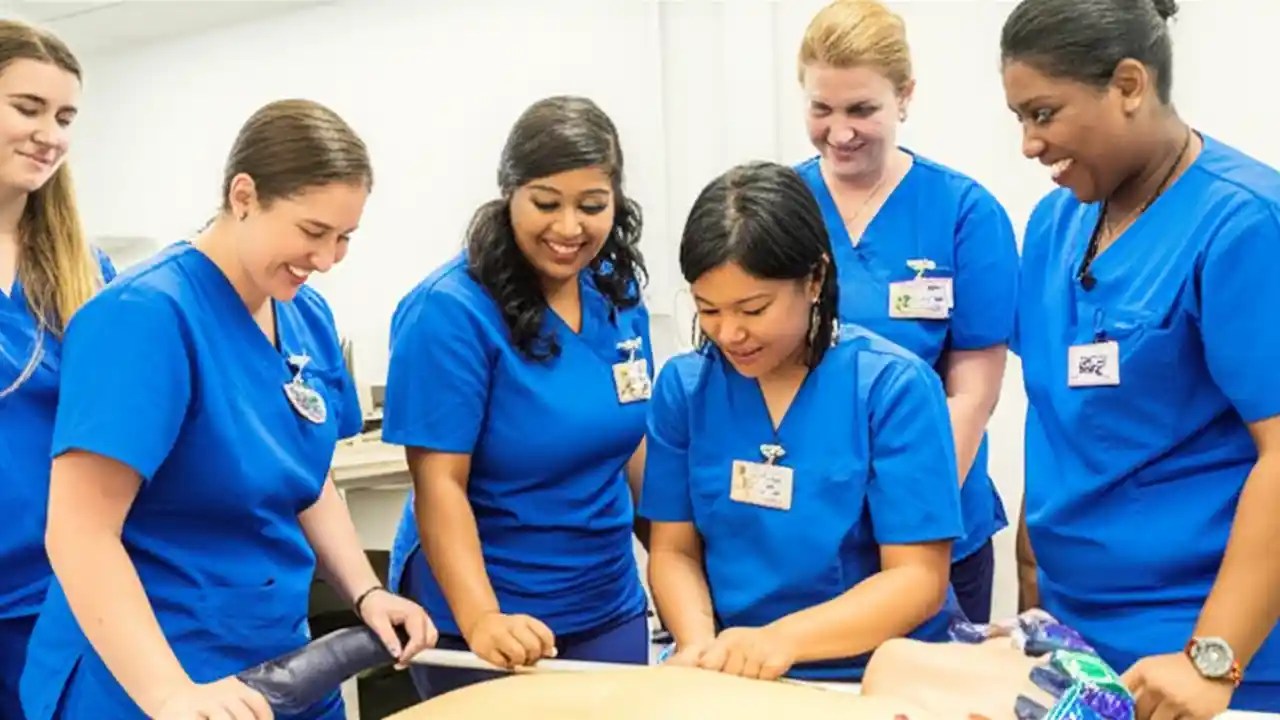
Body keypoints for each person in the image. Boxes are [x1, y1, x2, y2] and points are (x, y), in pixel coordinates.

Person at [19, 99, 437, 720]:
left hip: (275, 657)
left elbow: (309, 476)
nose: (326, 260)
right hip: (148, 672)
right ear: (244, 195)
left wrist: (367, 592)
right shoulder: (143, 318)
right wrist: (169, 693)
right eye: (312, 232)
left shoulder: (305, 315)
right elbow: (80, 533)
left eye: (344, 238)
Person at [1002, 0, 1280, 714]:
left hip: (1197, 652)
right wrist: (1032, 578)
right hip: (1075, 637)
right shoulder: (1053, 224)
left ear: (1129, 85)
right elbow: (1059, 415)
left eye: (1044, 113)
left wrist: (1214, 660)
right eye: (1020, 120)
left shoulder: (1242, 222)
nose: (1030, 144)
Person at [641, 160, 965, 685]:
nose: (730, 333)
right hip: (736, 670)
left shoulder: (892, 388)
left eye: (753, 308)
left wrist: (781, 641)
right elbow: (673, 550)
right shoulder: (685, 389)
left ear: (814, 279)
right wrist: (698, 643)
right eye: (709, 310)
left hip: (873, 676)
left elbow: (917, 578)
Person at [382, 95, 652, 700]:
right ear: (509, 195)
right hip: (485, 602)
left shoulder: (616, 292)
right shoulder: (448, 313)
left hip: (605, 593)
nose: (568, 228)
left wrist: (675, 557)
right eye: (545, 203)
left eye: (592, 206)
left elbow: (633, 438)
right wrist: (481, 618)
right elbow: (439, 484)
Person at [791, 0, 1019, 624]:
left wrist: (912, 512)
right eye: (822, 109)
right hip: (811, 527)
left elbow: (973, 390)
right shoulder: (780, 208)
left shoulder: (963, 212)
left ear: (905, 97)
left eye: (861, 109)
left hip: (935, 518)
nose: (840, 131)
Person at [0, 19, 115, 719]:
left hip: (61, 595)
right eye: (28, 108)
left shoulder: (85, 271)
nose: (52, 134)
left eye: (65, 116)